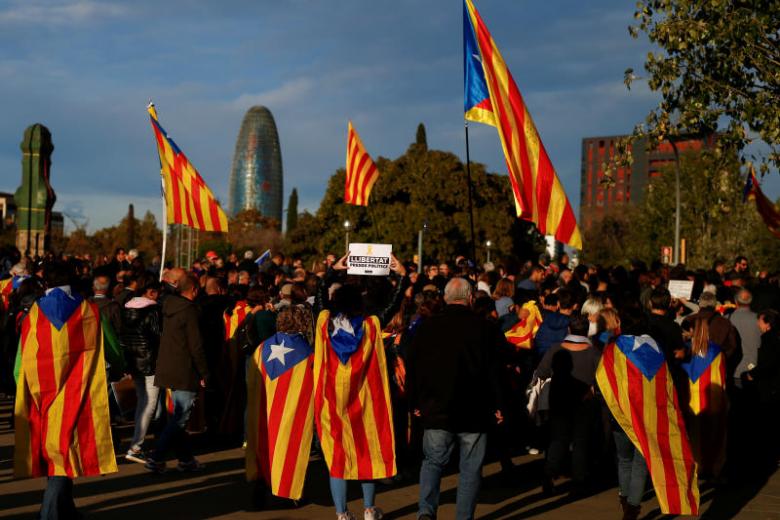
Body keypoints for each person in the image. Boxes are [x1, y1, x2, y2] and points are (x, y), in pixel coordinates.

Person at [14, 262, 117, 519]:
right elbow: (113, 349)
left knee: (57, 452)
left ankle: (65, 509)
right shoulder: (90, 311)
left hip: (42, 396)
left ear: (45, 282)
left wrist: (23, 388)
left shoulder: (33, 313)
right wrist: (120, 365)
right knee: (64, 453)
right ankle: (50, 514)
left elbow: (20, 361)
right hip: (77, 394)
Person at [314, 253, 407, 520]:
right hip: (364, 403)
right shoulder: (372, 325)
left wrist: (333, 271)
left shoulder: (323, 323)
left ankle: (342, 514)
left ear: (335, 302)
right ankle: (369, 509)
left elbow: (319, 297)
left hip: (331, 403)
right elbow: (394, 302)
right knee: (367, 454)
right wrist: (400, 275)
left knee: (337, 459)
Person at [407, 278, 504, 520]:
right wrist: (499, 404)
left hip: (437, 407)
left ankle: (426, 512)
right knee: (470, 469)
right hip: (474, 410)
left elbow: (414, 367)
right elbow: (495, 371)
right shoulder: (485, 328)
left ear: (446, 298)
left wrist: (414, 401)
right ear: (470, 298)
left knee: (432, 462)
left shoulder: (427, 327)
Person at [146, 273, 210, 473]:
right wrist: (205, 373)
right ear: (194, 290)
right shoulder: (189, 310)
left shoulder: (167, 306)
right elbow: (196, 345)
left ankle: (186, 460)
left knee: (177, 417)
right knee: (180, 418)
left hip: (168, 367)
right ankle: (156, 458)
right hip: (184, 370)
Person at [534, 313, 601, 495]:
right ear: (586, 331)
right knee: (580, 442)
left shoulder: (556, 349)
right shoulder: (594, 352)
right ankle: (579, 480)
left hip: (558, 401)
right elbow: (602, 380)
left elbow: (540, 373)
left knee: (558, 439)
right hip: (584, 403)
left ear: (569, 329)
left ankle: (549, 476)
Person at [121, 278, 163, 463]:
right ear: (151, 292)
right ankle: (136, 447)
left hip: (133, 361)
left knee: (142, 403)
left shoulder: (127, 308)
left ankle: (136, 444)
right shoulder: (153, 310)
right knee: (149, 405)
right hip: (150, 362)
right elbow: (158, 336)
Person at [749, 310, 780, 472]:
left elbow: (768, 364)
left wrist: (752, 374)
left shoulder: (768, 339)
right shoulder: (776, 337)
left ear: (767, 323)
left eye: (760, 321)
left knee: (768, 422)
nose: (757, 324)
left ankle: (769, 457)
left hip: (769, 387)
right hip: (776, 386)